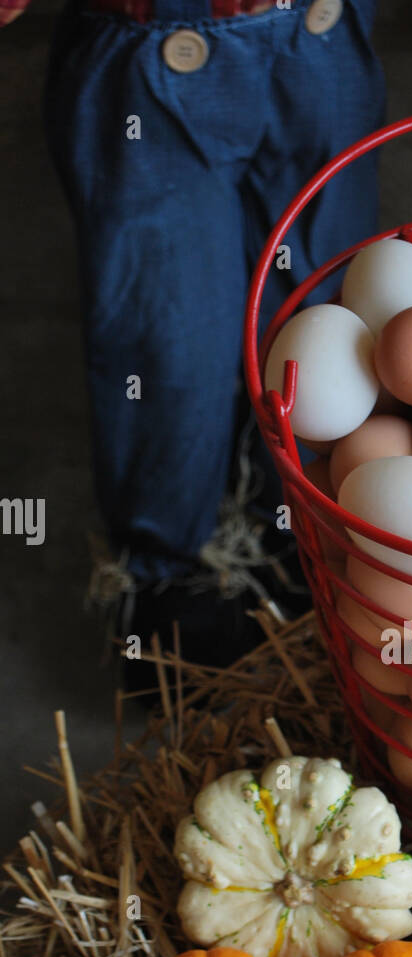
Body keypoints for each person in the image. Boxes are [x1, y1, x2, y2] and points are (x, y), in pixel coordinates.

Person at [3, 0, 385, 670]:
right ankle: (170, 589)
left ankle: (293, 550)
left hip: (320, 37)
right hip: (144, 51)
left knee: (322, 324)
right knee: (165, 347)